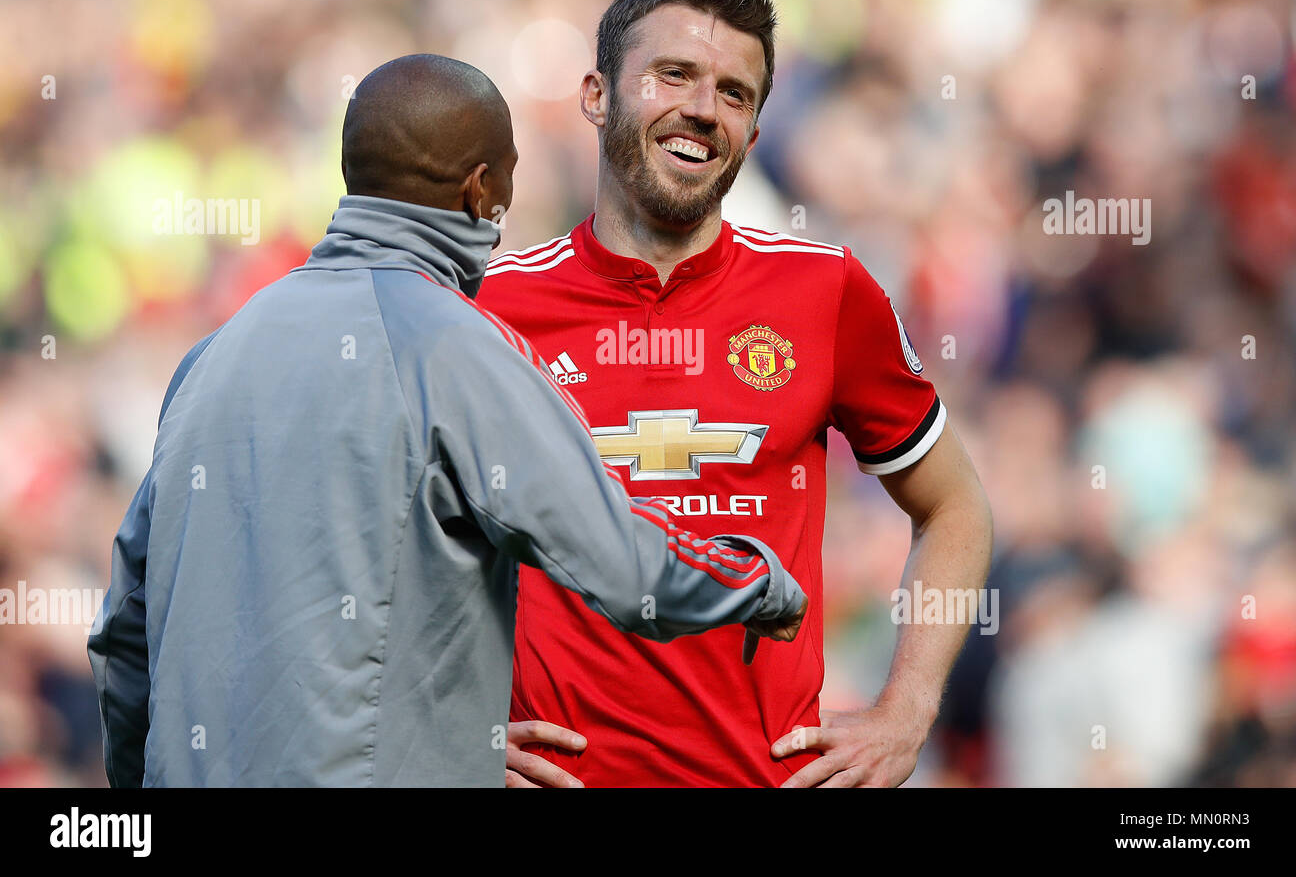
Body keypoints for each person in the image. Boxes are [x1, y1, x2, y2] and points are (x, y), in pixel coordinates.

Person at [86, 54, 806, 788]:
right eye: (510, 179)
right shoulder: (457, 347)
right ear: (481, 188)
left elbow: (124, 635)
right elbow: (623, 564)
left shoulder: (213, 356)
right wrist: (763, 583)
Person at [478, 0, 994, 788]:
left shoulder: (825, 292)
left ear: (753, 134)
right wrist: (443, 729)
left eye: (734, 92)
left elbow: (956, 506)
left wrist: (905, 714)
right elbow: (385, 540)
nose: (701, 109)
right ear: (596, 94)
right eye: (672, 74)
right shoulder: (491, 307)